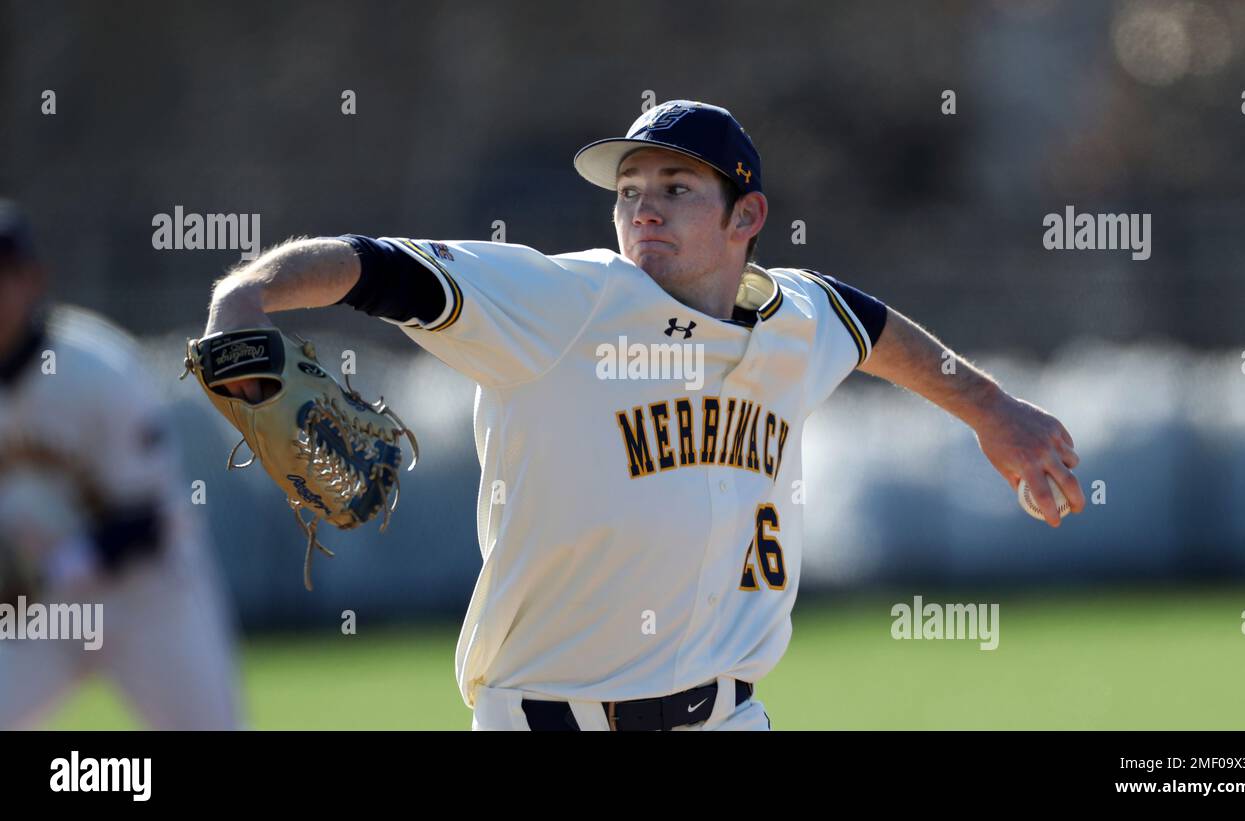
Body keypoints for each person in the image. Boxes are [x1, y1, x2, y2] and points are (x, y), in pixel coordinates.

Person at [201, 100, 1083, 730]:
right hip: (546, 717)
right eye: (629, 190)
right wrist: (248, 294)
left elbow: (868, 326)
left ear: (749, 216)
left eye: (675, 186)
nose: (643, 206)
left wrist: (991, 409)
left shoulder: (794, 319)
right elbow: (378, 266)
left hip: (727, 714)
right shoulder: (564, 299)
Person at [0, 200, 242, 730]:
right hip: (42, 615)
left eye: (2, 277)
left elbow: (147, 520)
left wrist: (52, 565)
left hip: (149, 598)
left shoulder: (97, 369)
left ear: (32, 280)